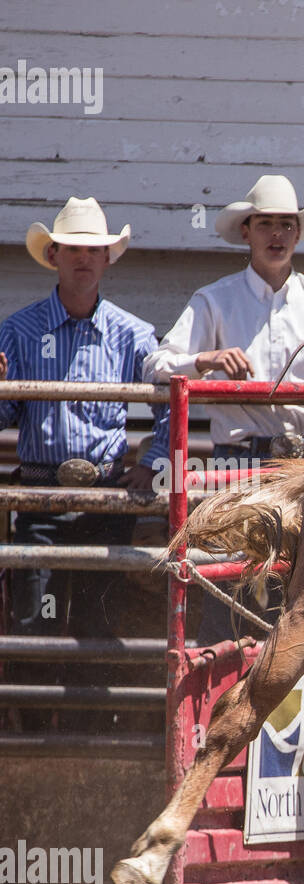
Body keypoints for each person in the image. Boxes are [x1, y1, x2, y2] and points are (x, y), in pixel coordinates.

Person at [0, 196, 170, 646]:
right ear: (54, 255)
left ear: (107, 258)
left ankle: (97, 715)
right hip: (40, 494)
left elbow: (171, 400)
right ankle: (40, 714)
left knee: (101, 621)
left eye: (93, 249)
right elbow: (4, 414)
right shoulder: (17, 331)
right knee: (35, 622)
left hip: (105, 496)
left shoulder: (132, 333)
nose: (83, 258)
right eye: (73, 248)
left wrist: (151, 462)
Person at [144, 174, 304, 463]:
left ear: (297, 233)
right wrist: (206, 360)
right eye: (265, 224)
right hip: (241, 457)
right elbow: (155, 367)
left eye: (286, 224)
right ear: (247, 232)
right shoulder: (213, 301)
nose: (276, 234)